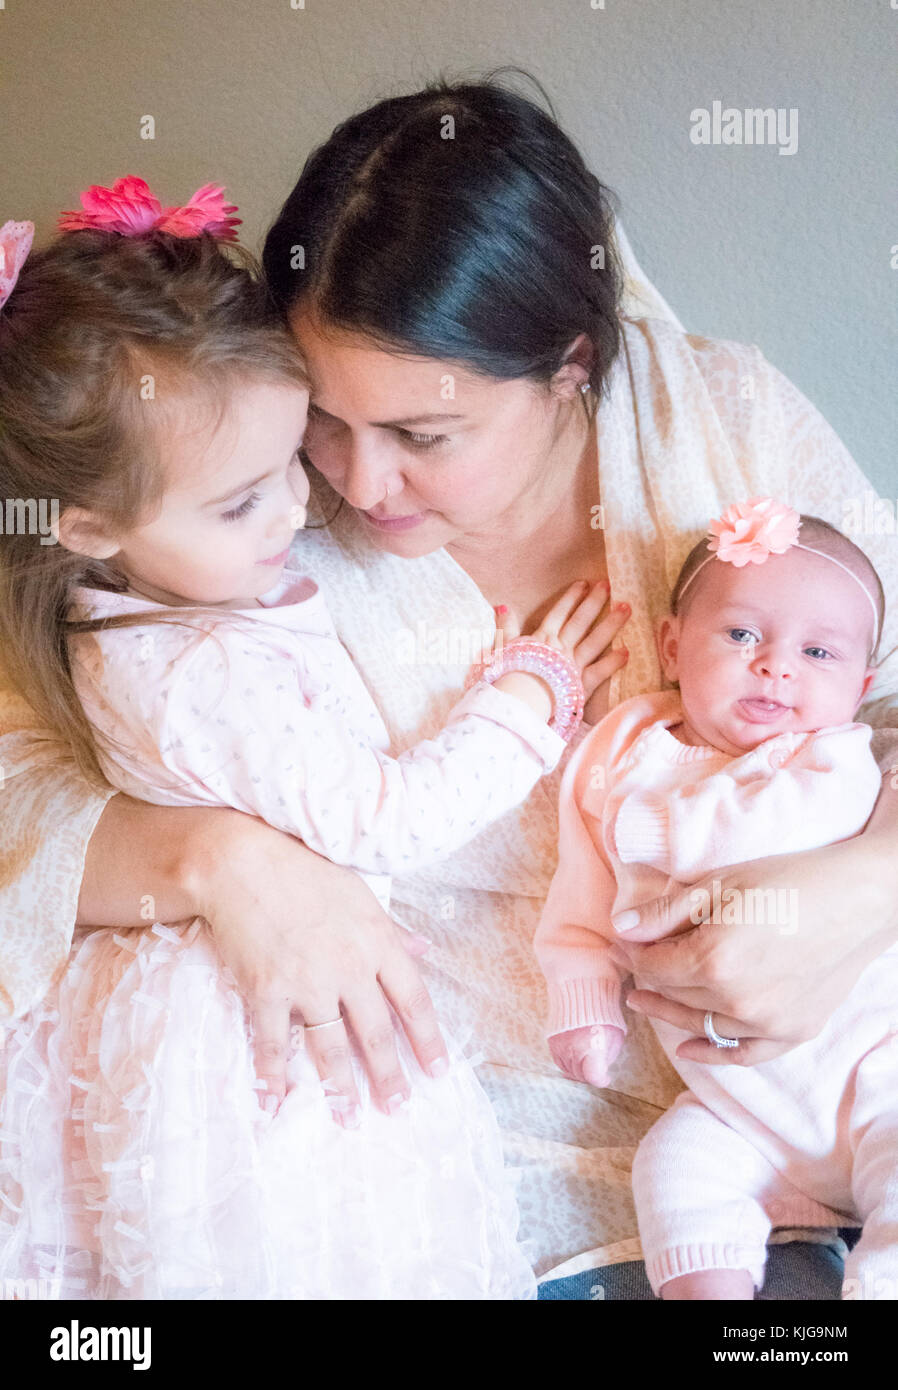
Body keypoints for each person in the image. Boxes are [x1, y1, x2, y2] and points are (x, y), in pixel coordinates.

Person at [1, 72, 896, 1298]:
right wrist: (218, 861)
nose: (360, 485)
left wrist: (863, 879)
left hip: (828, 1120)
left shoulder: (721, 419)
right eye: (327, 418)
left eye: (424, 435)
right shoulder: (233, 506)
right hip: (477, 1188)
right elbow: (19, 772)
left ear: (571, 366)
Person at [0, 179, 629, 1299]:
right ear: (87, 528)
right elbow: (382, 818)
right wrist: (528, 697)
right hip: (278, 1049)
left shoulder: (162, 598)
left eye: (296, 458)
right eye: (245, 499)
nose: (307, 507)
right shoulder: (202, 667)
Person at [536, 498, 898, 1300]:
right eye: (741, 636)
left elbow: (772, 831)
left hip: (878, 1074)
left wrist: (650, 832)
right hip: (736, 1103)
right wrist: (584, 1000)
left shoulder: (835, 759)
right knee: (674, 1166)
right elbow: (582, 901)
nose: (775, 666)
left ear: (861, 685)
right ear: (671, 646)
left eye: (817, 652)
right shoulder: (623, 753)